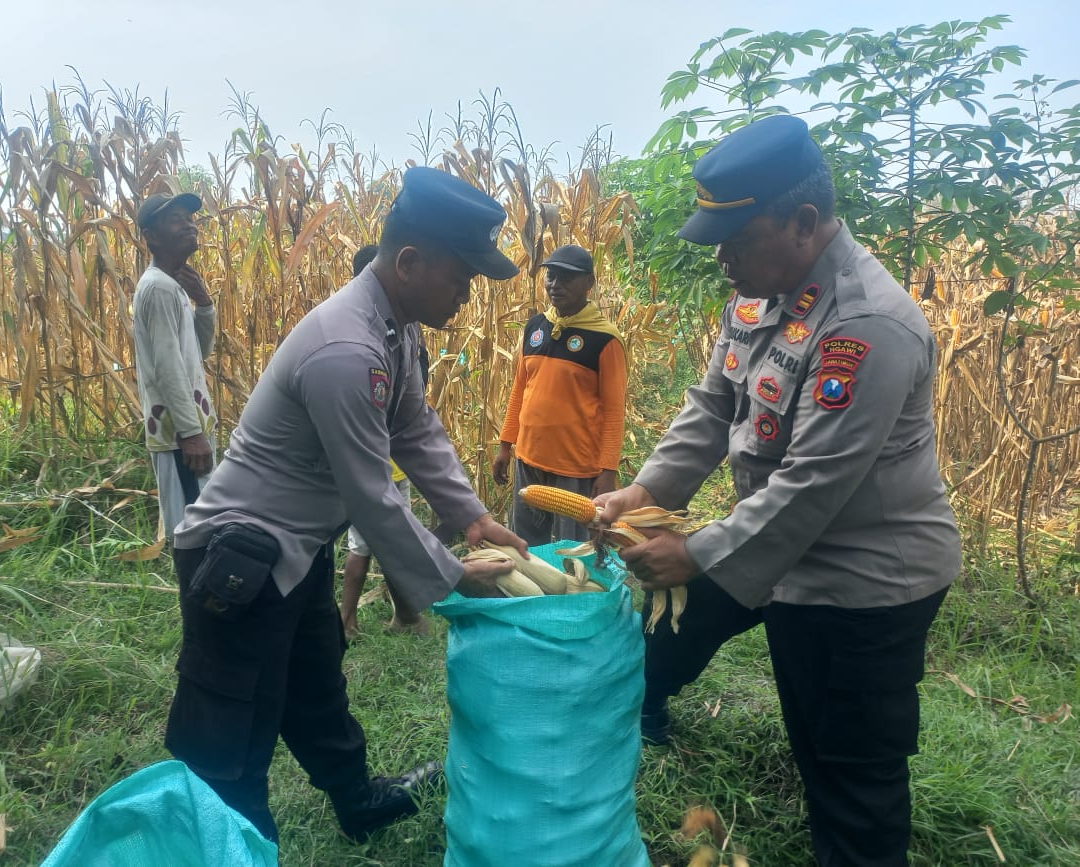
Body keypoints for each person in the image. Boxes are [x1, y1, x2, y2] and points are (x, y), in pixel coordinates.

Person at [597, 115, 961, 866]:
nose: (722, 258)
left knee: (852, 773)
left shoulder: (865, 325)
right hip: (785, 555)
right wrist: (646, 488)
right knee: (809, 737)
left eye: (736, 239)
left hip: (863, 583)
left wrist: (694, 551)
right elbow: (713, 407)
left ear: (804, 222)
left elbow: (814, 482)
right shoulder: (759, 294)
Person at [165, 166, 525, 846]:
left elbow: (414, 428)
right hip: (241, 560)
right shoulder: (346, 351)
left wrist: (474, 518)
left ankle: (358, 801)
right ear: (409, 262)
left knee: (316, 687)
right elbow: (371, 493)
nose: (466, 295)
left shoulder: (395, 329)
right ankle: (235, 846)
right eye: (461, 277)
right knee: (233, 731)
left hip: (297, 550)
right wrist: (453, 575)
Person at [492, 244, 628, 544]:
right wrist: (505, 444)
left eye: (566, 278)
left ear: (589, 283)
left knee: (574, 550)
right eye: (551, 276)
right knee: (528, 546)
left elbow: (614, 410)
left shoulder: (605, 340)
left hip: (575, 467)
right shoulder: (536, 327)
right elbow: (520, 389)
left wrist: (607, 471)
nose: (555, 285)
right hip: (529, 458)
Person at [340, 243, 429, 638]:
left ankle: (399, 616)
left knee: (371, 541)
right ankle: (355, 619)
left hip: (379, 460)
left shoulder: (400, 330)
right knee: (376, 542)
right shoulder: (367, 337)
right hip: (380, 462)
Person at [132, 192, 217, 542]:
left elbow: (200, 352)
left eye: (189, 218)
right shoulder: (158, 288)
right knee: (192, 532)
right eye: (176, 220)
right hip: (179, 437)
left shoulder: (172, 286)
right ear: (151, 237)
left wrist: (205, 304)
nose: (189, 225)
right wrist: (191, 433)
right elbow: (167, 367)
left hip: (187, 431)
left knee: (202, 526)